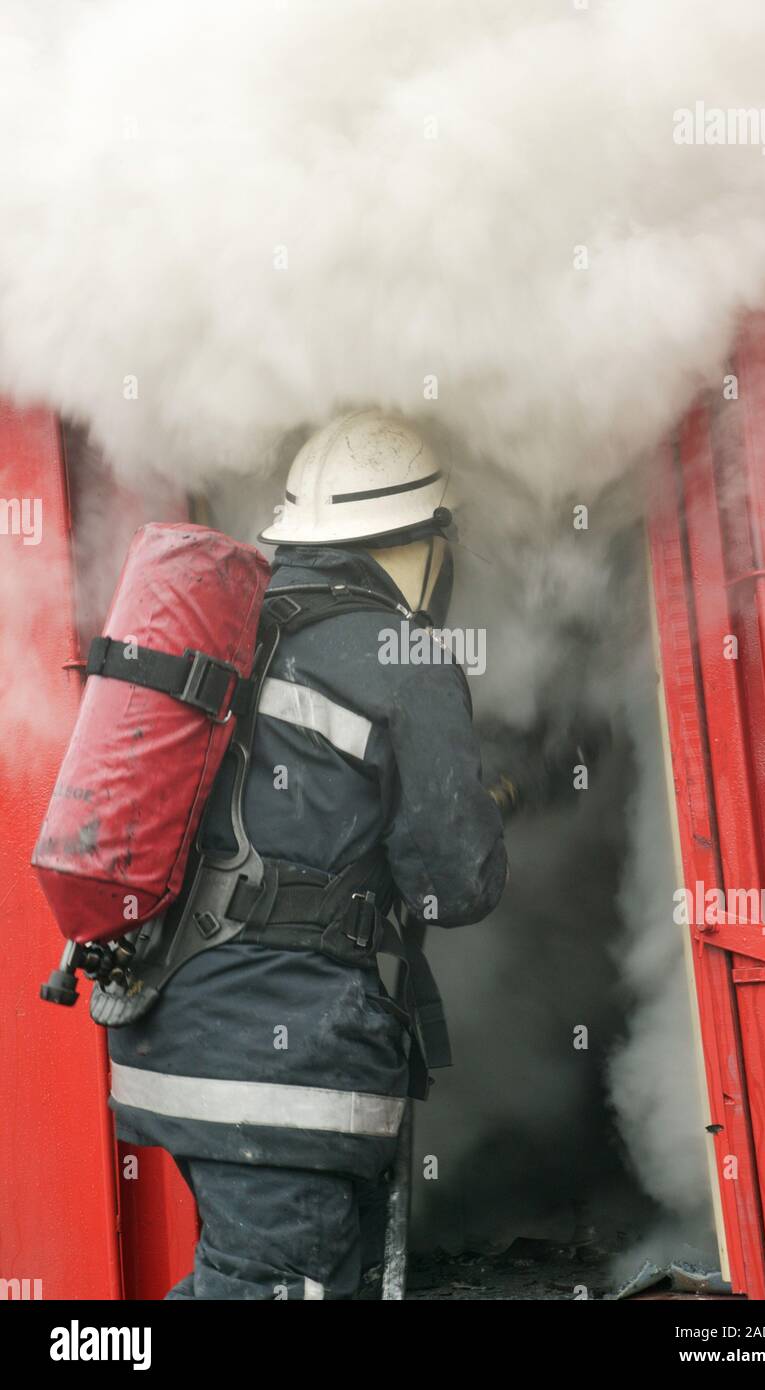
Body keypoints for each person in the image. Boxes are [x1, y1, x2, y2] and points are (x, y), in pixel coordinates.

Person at [106, 409, 509, 1299]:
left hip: (174, 1039)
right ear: (423, 543)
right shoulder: (403, 654)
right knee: (274, 1289)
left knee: (282, 1278)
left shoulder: (230, 627)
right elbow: (456, 887)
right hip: (281, 1072)